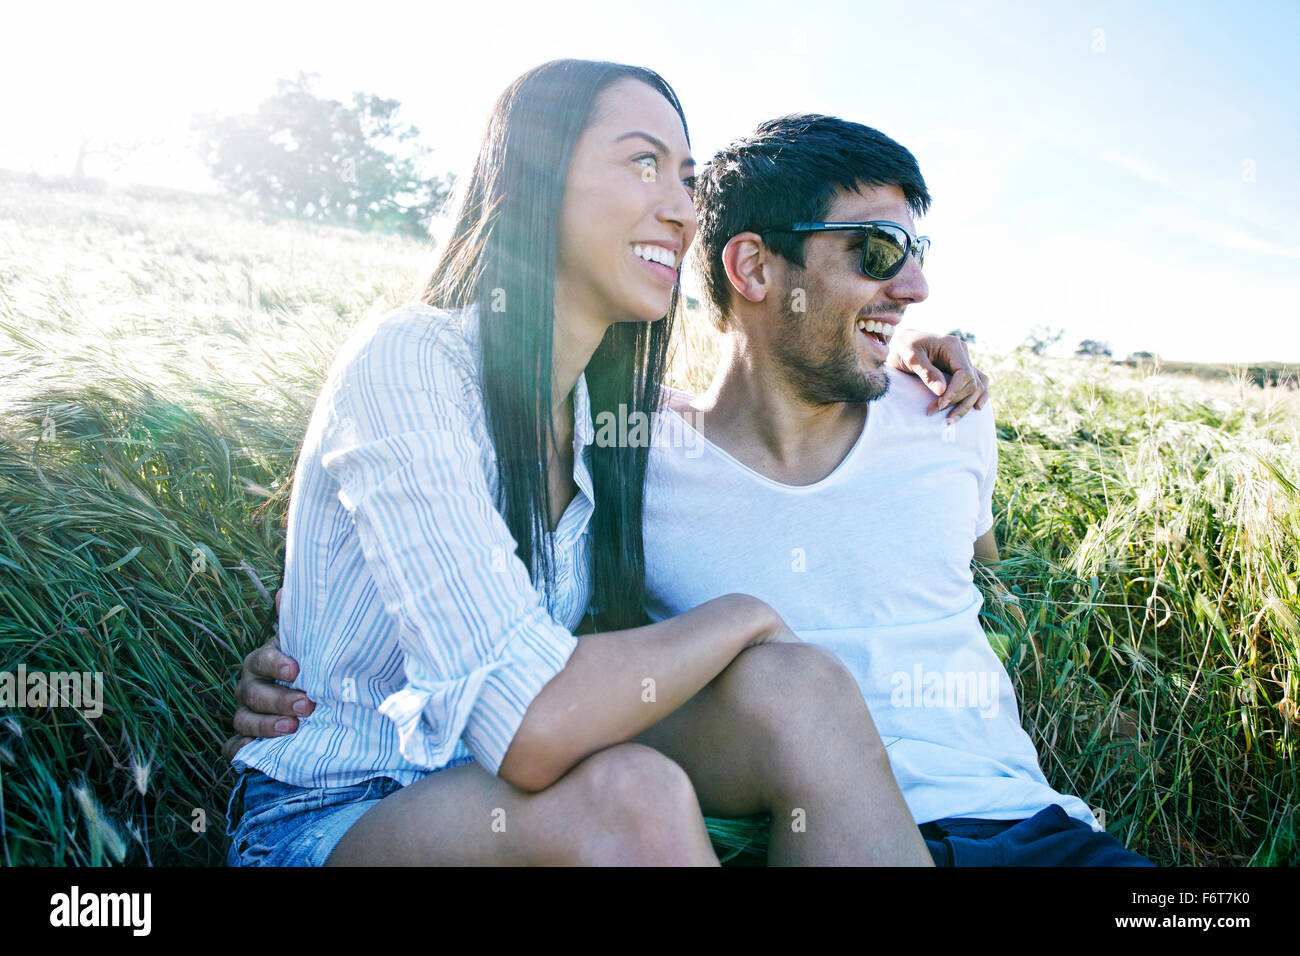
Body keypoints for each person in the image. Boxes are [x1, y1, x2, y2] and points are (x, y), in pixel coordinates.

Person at [237, 110, 1152, 866]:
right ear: (753, 269)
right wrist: (314, 655)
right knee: (730, 731)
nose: (913, 285)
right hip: (540, 804)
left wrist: (902, 349)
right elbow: (463, 617)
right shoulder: (634, 449)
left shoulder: (941, 414)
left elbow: (985, 565)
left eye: (685, 178)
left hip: (1033, 832)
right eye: (877, 249)